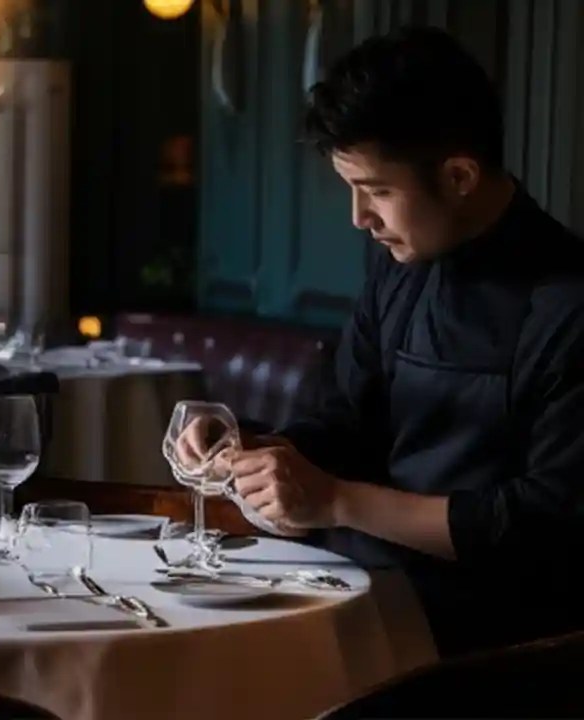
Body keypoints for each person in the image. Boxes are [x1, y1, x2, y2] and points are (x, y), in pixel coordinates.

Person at [187, 26, 584, 657]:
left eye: (376, 192)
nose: (358, 219)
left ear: (458, 176)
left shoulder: (567, 303)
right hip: (368, 593)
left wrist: (339, 501)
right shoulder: (399, 269)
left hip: (502, 646)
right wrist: (254, 445)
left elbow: (544, 525)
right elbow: (349, 418)